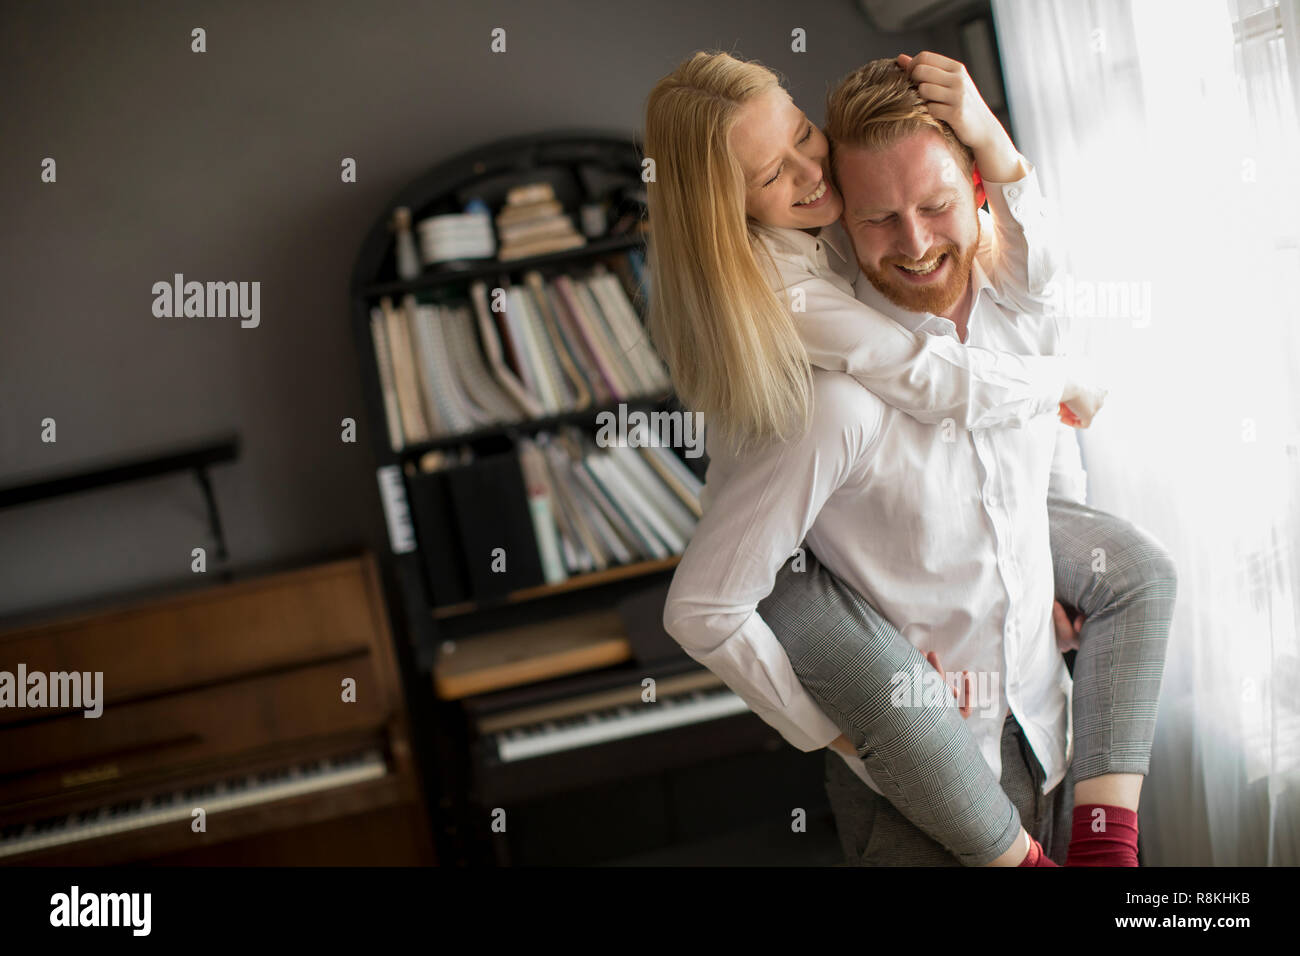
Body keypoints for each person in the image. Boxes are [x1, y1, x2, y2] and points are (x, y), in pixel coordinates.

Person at [646, 51, 1176, 866]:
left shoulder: (1010, 294)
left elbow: (1042, 433)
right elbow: (926, 378)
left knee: (1141, 571)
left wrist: (1056, 580)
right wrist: (837, 729)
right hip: (921, 761)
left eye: (800, 140)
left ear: (974, 192)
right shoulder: (821, 356)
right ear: (843, 222)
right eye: (878, 218)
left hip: (1044, 725)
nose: (915, 242)